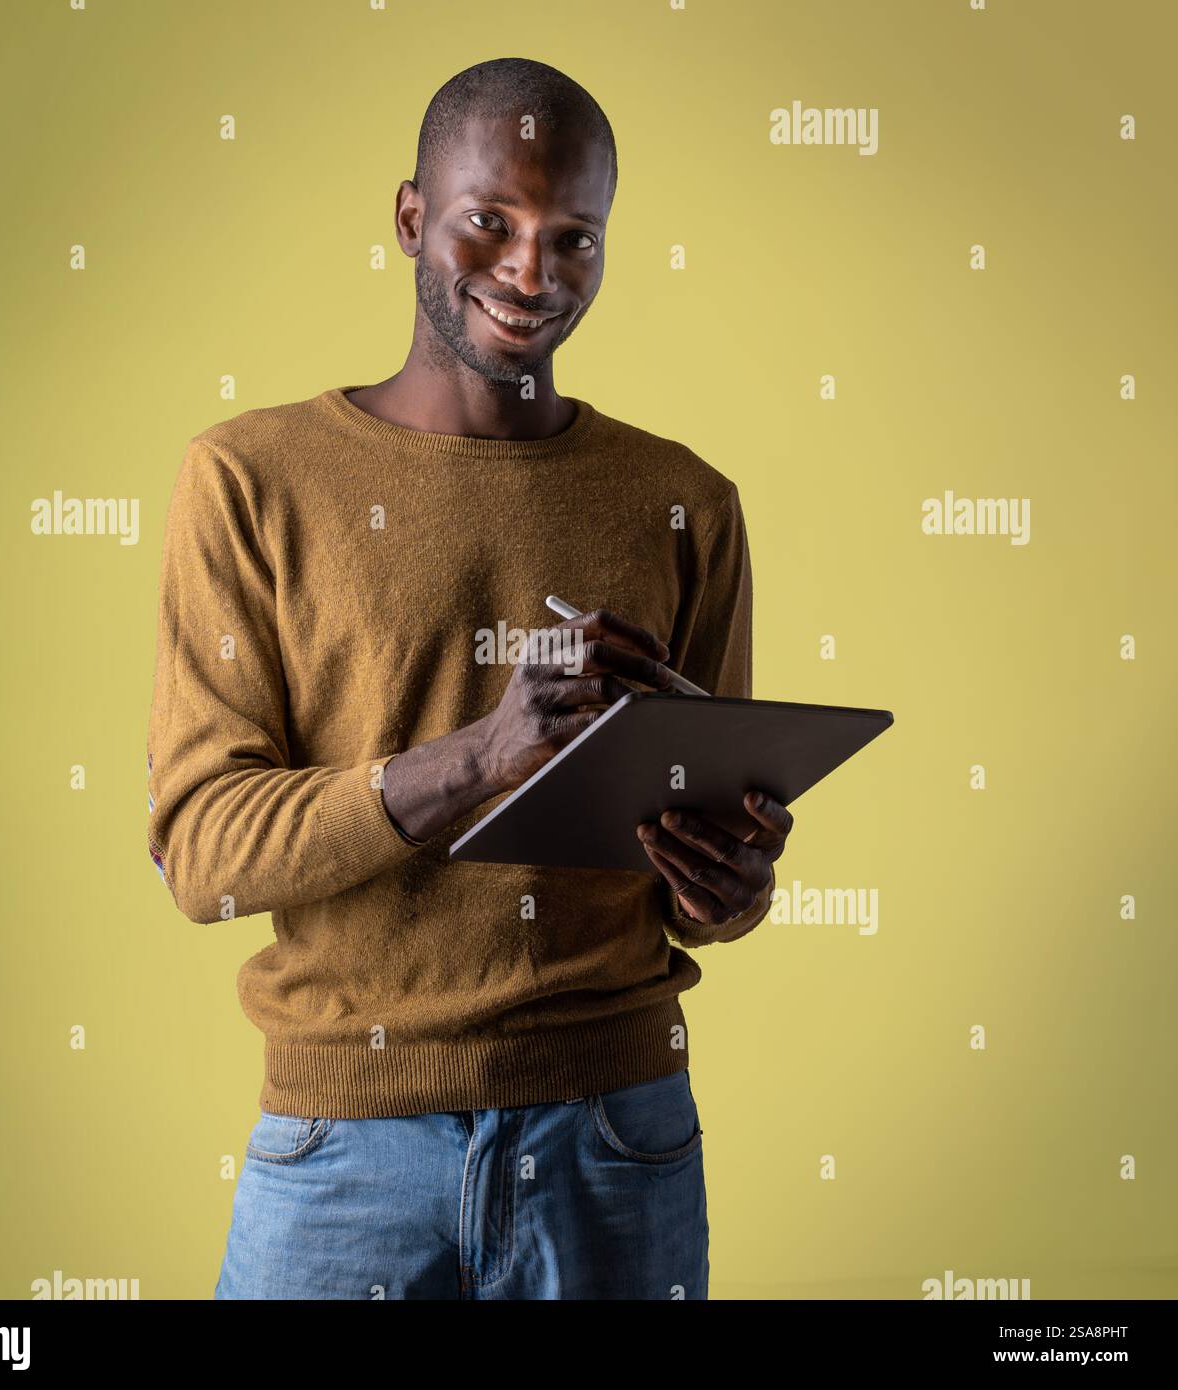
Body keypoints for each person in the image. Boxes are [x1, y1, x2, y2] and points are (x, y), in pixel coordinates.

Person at [146, 56, 792, 1301]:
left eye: (574, 238)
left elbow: (711, 888)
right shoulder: (247, 481)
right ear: (408, 219)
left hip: (620, 1133)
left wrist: (735, 881)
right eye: (488, 223)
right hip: (344, 1146)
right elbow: (204, 850)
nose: (530, 272)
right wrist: (478, 758)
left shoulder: (686, 502)